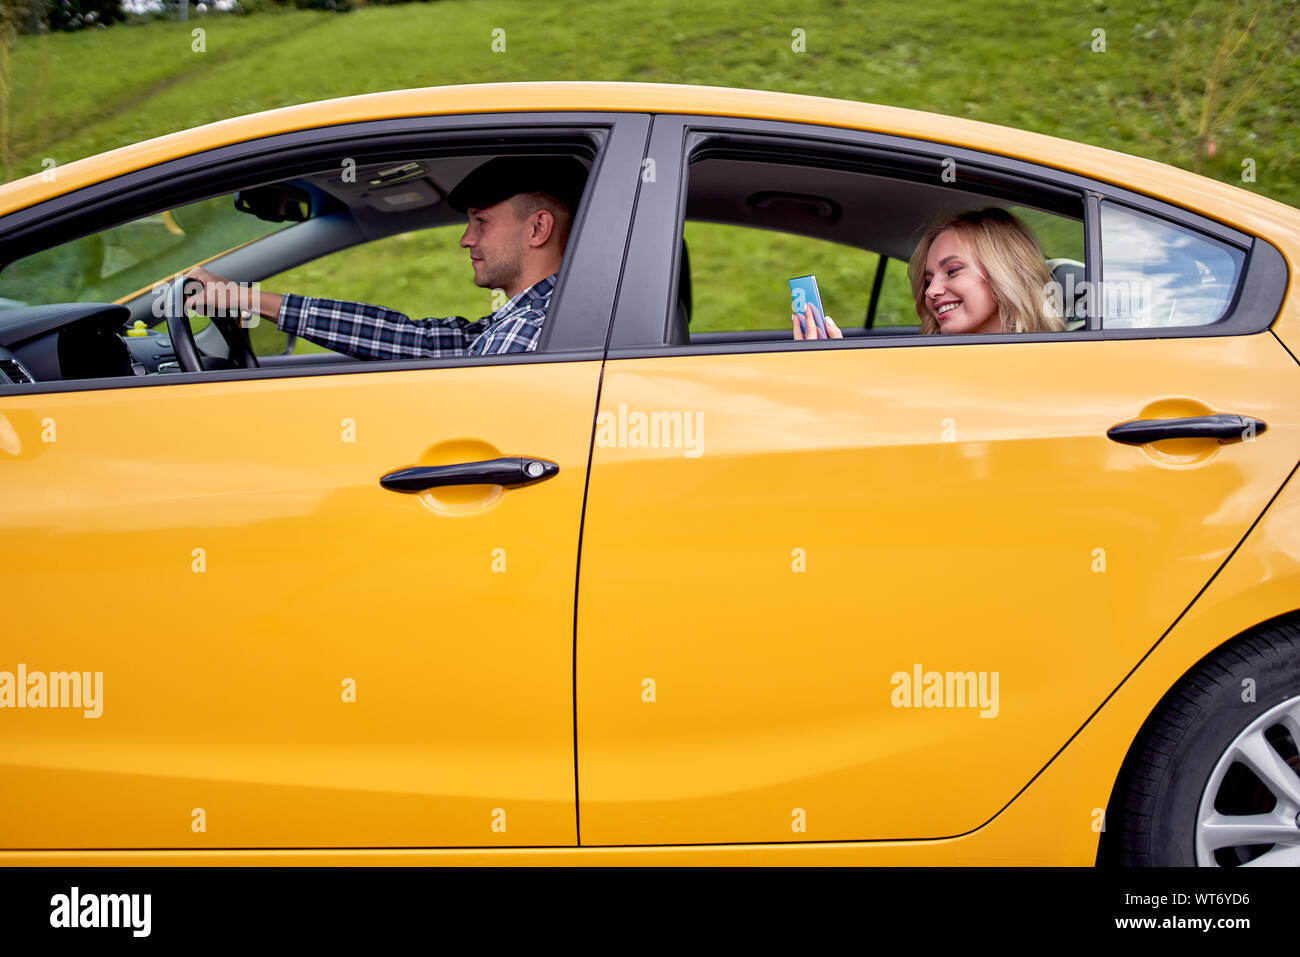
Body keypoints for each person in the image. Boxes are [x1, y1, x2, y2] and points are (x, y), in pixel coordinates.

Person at [186, 155, 588, 359]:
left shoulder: (528, 333)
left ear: (538, 229)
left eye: (481, 221)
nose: (466, 240)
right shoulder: (524, 323)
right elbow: (414, 340)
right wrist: (246, 299)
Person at [790, 207, 1065, 339]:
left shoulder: (1040, 372)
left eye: (953, 270)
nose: (931, 292)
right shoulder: (944, 364)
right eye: (929, 280)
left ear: (1007, 273)